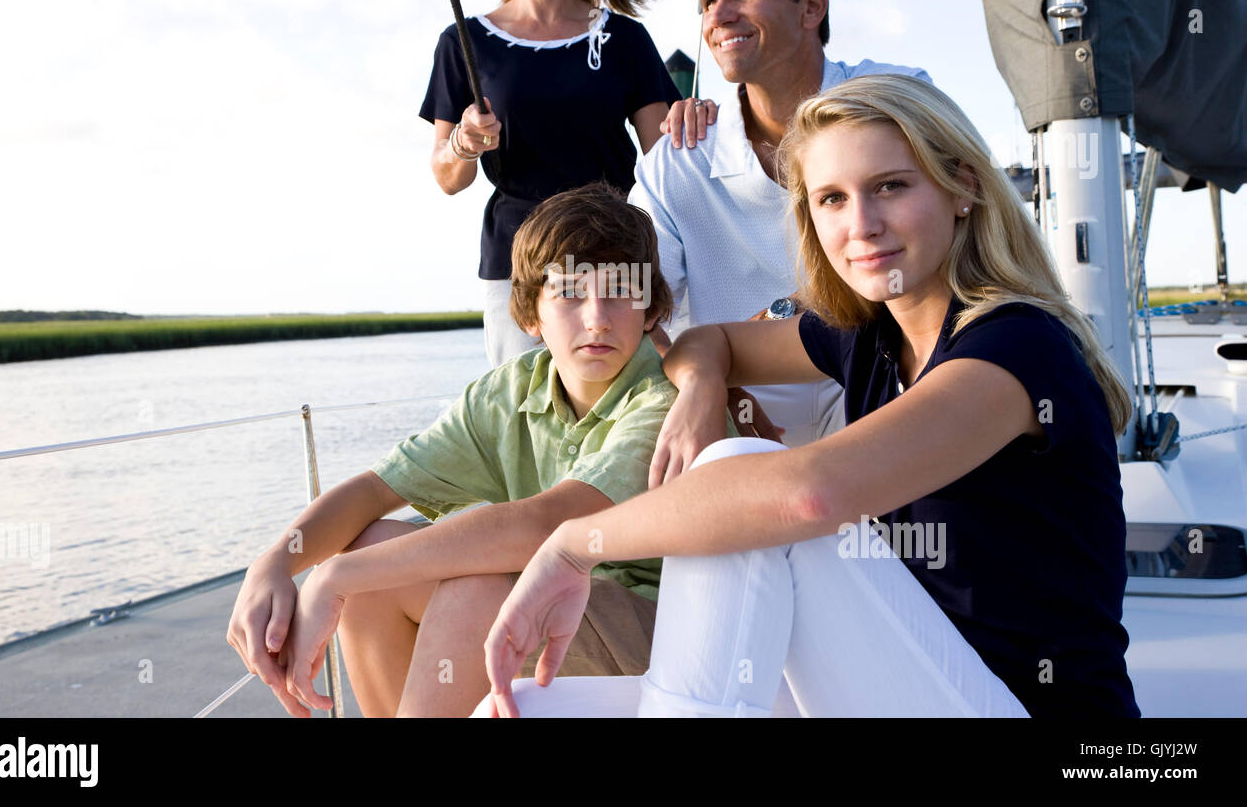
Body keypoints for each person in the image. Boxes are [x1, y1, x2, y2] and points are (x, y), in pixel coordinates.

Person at [480, 74, 1141, 718]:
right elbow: (707, 342)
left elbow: (810, 495)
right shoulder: (867, 335)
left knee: (747, 484)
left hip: (1022, 703)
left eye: (890, 186)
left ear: (962, 187)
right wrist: (705, 387)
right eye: (832, 199)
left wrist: (575, 543)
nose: (863, 225)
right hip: (884, 675)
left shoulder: (1015, 349)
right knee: (516, 710)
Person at [227, 182, 681, 717]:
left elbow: (548, 526)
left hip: (657, 637)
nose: (597, 316)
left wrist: (334, 576)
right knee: (372, 551)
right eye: (570, 293)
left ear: (649, 308)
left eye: (619, 290)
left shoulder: (664, 400)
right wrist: (275, 564)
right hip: (555, 611)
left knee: (474, 586)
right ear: (531, 315)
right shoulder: (511, 391)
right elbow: (376, 490)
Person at [629, 0, 930, 449]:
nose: (718, 15)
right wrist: (710, 385)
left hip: (891, 376)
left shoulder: (899, 101)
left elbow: (957, 240)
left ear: (811, 6)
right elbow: (632, 305)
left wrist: (782, 311)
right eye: (707, 0)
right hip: (739, 404)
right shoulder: (676, 161)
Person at [423, 0, 681, 368]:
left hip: (615, 258)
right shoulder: (465, 43)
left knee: (626, 418)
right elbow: (448, 178)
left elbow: (665, 164)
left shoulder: (624, 40)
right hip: (519, 264)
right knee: (531, 420)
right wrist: (463, 144)